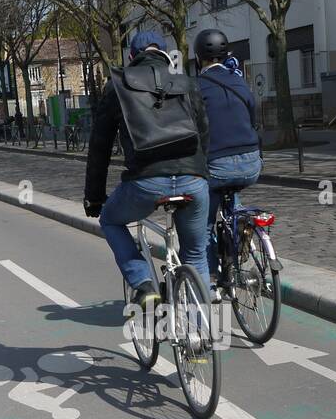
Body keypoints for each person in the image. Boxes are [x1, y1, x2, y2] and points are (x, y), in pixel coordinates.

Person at [84, 28, 210, 309]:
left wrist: (94, 197)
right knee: (196, 254)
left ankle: (143, 283)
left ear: (132, 56)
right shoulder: (188, 82)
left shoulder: (118, 84)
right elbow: (204, 134)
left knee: (111, 220)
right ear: (166, 54)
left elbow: (100, 146)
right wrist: (202, 176)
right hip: (193, 179)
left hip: (145, 182)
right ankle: (203, 335)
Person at [193, 29, 263, 288]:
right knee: (231, 201)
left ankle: (210, 278)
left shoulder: (196, 87)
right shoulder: (239, 81)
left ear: (198, 58)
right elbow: (252, 119)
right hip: (251, 163)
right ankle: (237, 237)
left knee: (203, 224)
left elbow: (193, 131)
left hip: (217, 165)